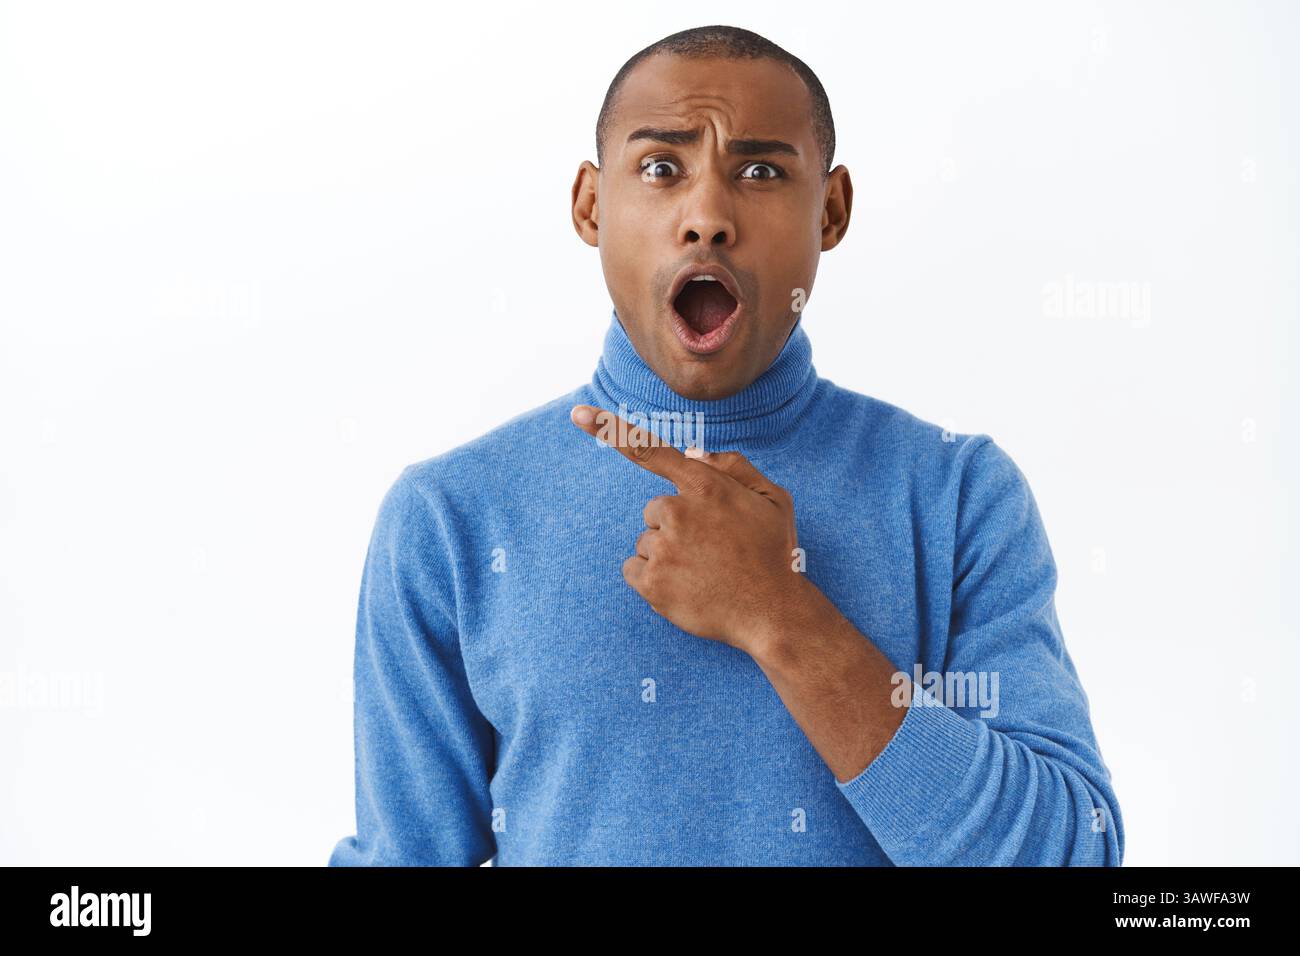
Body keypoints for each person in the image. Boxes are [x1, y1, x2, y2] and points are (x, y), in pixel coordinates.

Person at [328, 24, 1123, 866]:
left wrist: (779, 615)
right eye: (661, 168)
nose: (707, 217)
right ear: (591, 206)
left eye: (761, 171)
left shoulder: (959, 495)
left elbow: (1070, 853)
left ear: (833, 210)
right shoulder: (450, 519)